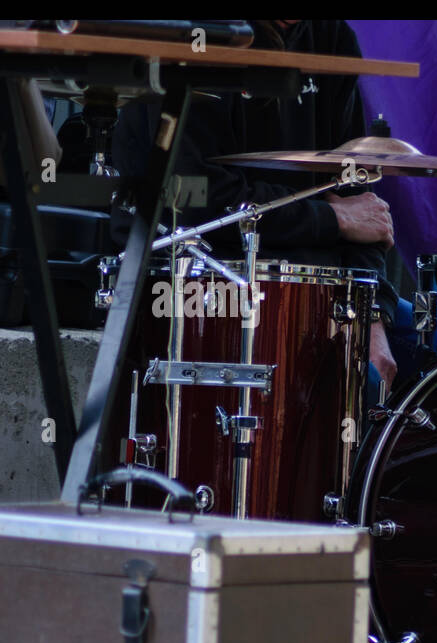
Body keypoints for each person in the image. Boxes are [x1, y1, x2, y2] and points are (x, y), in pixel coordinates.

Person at [110, 19, 399, 387]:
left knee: (431, 347)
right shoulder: (196, 32)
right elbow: (195, 198)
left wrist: (371, 314)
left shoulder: (332, 37)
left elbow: (361, 205)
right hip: (203, 283)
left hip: (317, 283)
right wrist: (330, 219)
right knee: (361, 383)